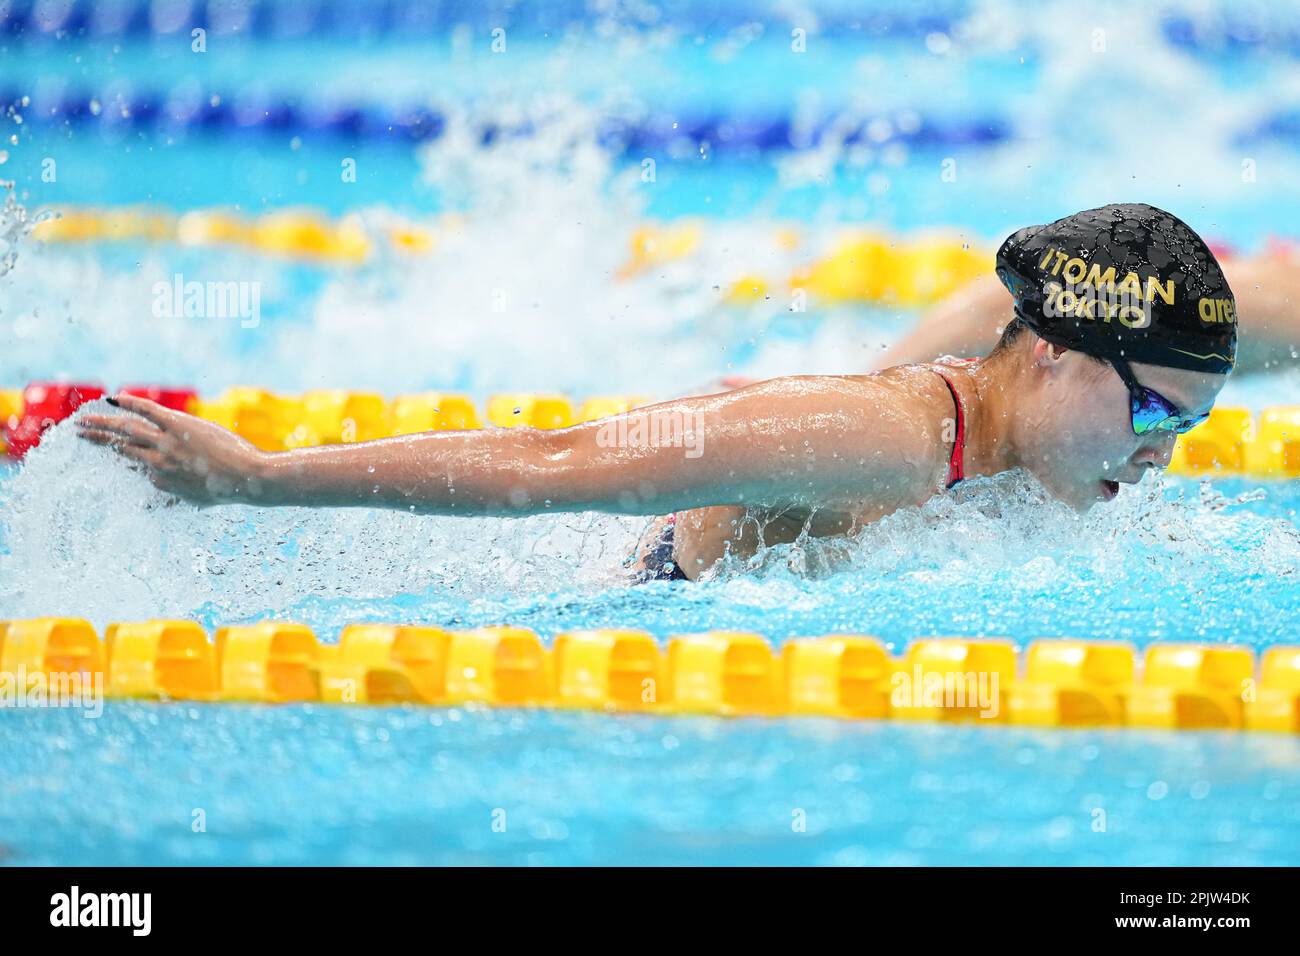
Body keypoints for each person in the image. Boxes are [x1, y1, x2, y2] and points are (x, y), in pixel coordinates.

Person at [78, 203, 1237, 582]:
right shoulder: (870, 435)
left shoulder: (1036, 461)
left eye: (1188, 428)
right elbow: (553, 462)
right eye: (1148, 413)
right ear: (1046, 351)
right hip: (648, 622)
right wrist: (259, 478)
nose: (1159, 454)